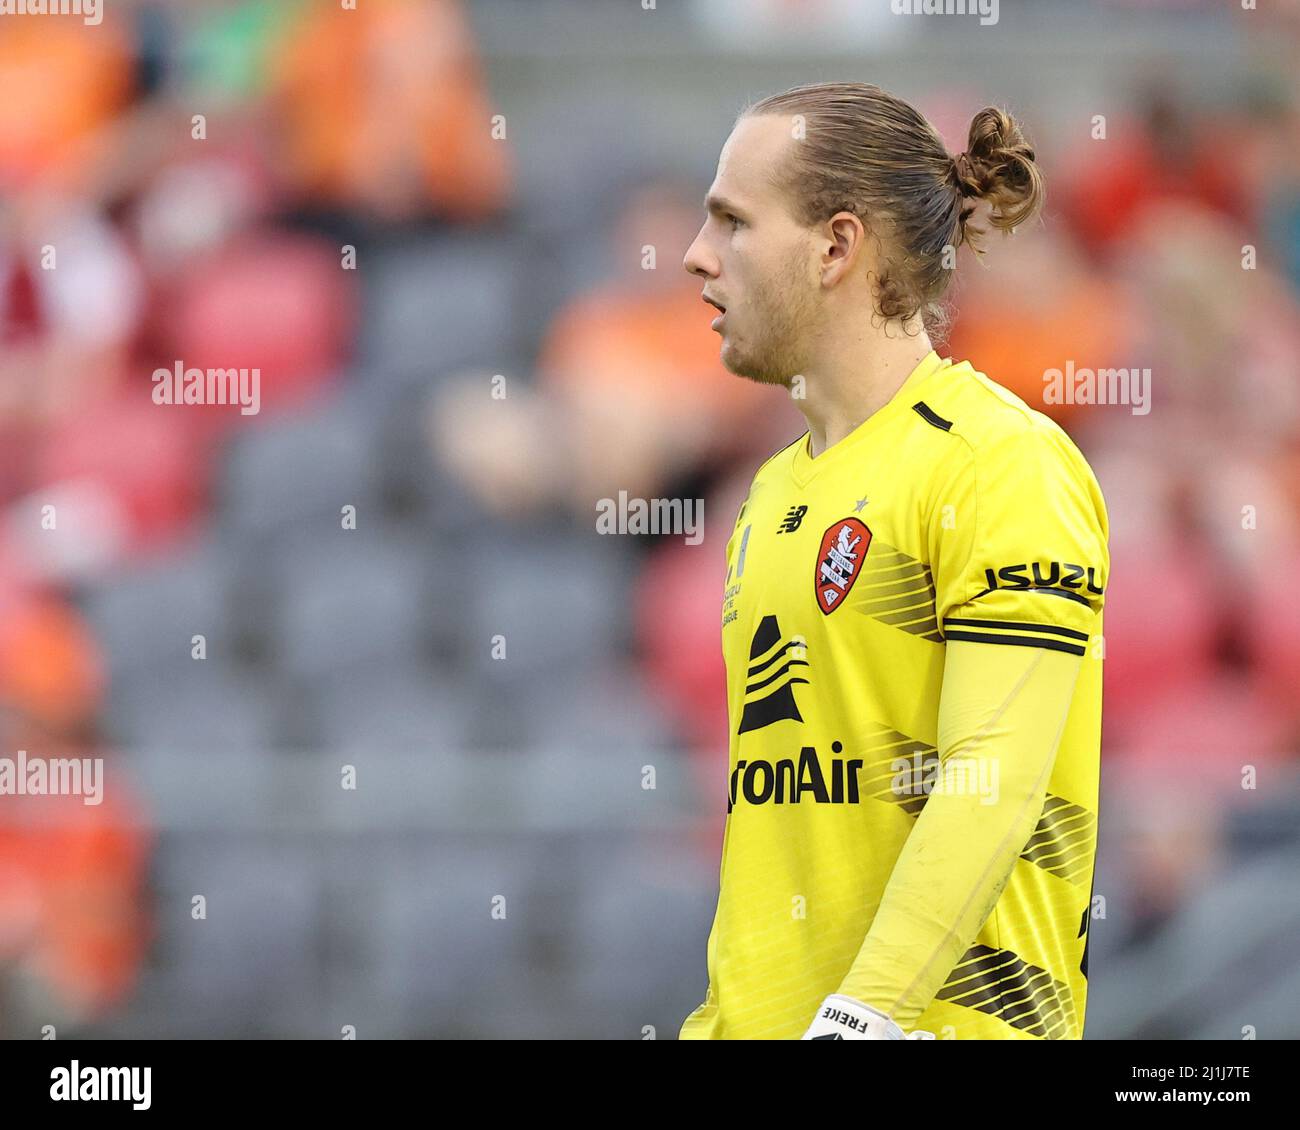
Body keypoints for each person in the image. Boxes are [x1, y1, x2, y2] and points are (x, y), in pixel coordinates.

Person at [678, 81, 1109, 1040]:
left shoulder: (1001, 463)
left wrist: (862, 1019)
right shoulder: (774, 494)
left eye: (733, 222)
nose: (694, 256)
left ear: (837, 246)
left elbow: (990, 781)